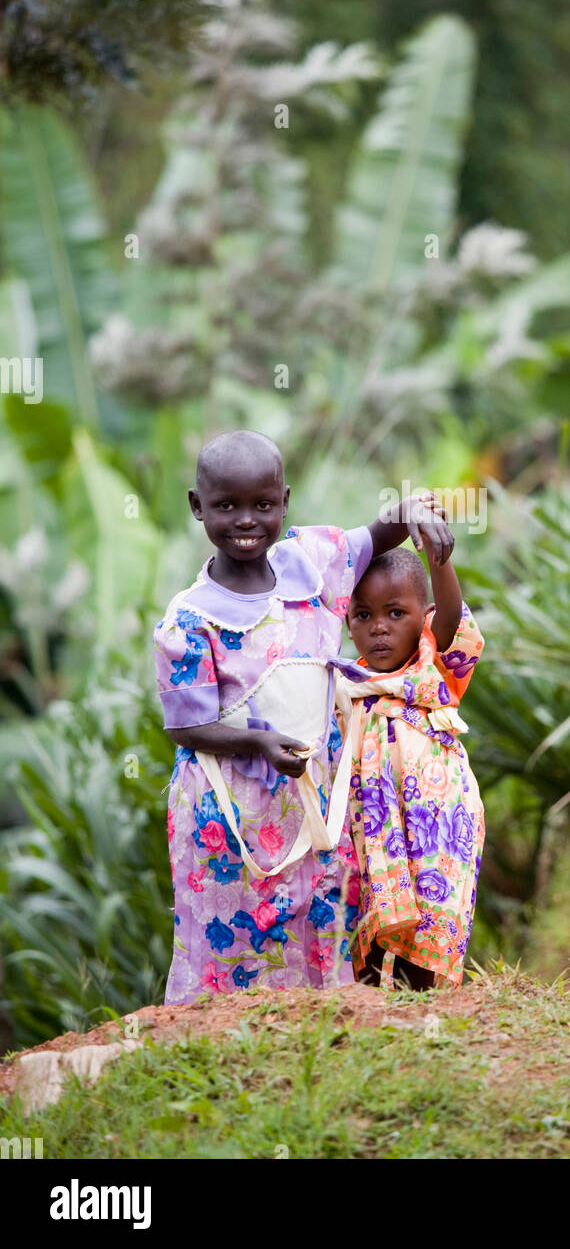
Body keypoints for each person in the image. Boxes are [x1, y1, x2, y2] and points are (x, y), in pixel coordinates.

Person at [153, 429, 452, 1002]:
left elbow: (376, 534)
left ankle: (321, 1044)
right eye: (226, 506)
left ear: (284, 502)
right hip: (228, 806)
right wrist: (259, 746)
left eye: (263, 505)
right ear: (197, 507)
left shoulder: (312, 565)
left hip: (314, 797)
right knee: (233, 934)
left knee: (321, 918)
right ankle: (223, 1051)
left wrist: (410, 511)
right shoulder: (189, 620)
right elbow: (184, 727)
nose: (246, 520)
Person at [343, 523, 485, 990]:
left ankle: (419, 1006)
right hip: (373, 826)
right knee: (369, 918)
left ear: (422, 619)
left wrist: (438, 560)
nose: (378, 627)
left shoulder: (434, 667)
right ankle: (369, 1011)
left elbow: (451, 617)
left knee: (428, 914)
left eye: (396, 613)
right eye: (363, 616)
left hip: (436, 824)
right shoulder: (346, 686)